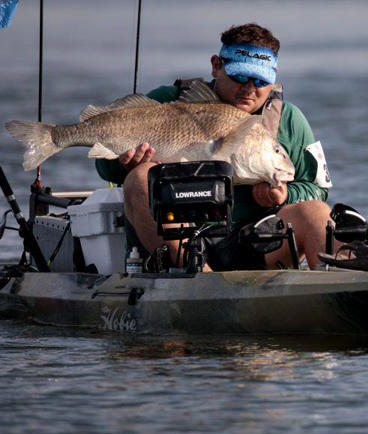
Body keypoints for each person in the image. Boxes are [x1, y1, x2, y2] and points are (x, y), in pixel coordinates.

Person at [96, 23, 334, 270]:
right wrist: (124, 163)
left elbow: (317, 189)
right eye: (240, 75)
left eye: (261, 80)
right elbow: (104, 168)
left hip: (256, 243)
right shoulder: (169, 102)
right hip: (179, 246)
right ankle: (200, 278)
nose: (249, 88)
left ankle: (338, 290)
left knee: (316, 213)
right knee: (140, 177)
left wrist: (286, 195)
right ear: (216, 66)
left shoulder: (289, 119)